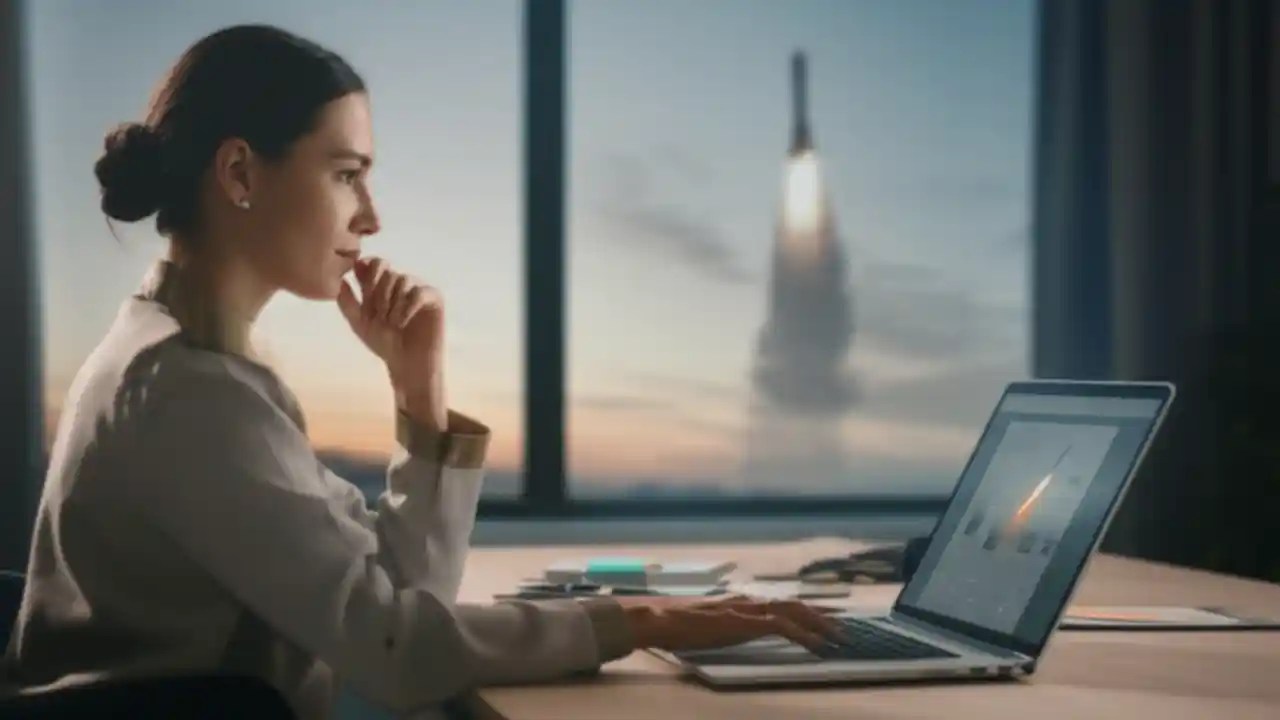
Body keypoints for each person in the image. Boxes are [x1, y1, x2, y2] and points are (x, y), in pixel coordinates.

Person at [1, 24, 844, 720]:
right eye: (347, 176)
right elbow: (398, 651)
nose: (371, 216)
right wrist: (638, 618)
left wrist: (417, 391)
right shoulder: (189, 392)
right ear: (239, 174)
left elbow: (401, 600)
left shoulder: (176, 357)